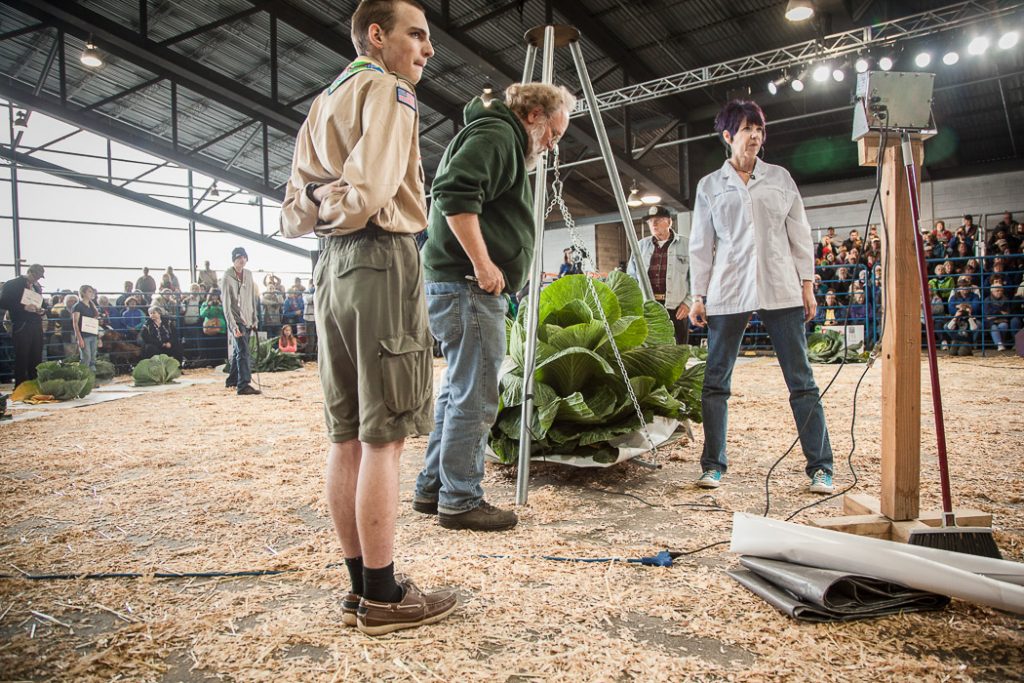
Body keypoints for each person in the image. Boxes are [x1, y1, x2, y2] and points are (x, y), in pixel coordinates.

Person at [279, 0, 455, 635]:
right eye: (417, 35)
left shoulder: (323, 100)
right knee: (386, 431)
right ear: (376, 36)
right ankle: (384, 595)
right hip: (380, 257)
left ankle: (360, 589)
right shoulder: (390, 91)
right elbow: (371, 195)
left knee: (347, 431)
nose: (427, 50)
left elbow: (293, 213)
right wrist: (344, 200)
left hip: (330, 267)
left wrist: (325, 200)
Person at [416, 81, 574, 532]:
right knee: (477, 396)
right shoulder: (498, 136)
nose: (550, 146)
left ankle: (433, 488)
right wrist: (484, 265)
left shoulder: (494, 133)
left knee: (456, 391)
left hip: (456, 286)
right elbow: (453, 193)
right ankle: (462, 498)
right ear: (533, 116)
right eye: (552, 134)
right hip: (469, 286)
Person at [689, 99, 834, 494]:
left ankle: (821, 466)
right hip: (729, 289)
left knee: (801, 380)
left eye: (760, 129)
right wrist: (697, 295)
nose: (755, 136)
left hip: (780, 286)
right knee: (716, 381)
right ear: (727, 136)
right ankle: (712, 464)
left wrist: (807, 283)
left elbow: (800, 235)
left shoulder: (781, 179)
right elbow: (702, 245)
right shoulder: (709, 186)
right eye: (747, 129)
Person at [627, 205, 692, 344]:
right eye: (650, 221)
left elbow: (697, 279)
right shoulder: (640, 246)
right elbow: (630, 278)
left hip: (677, 310)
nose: (654, 224)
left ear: (669, 222)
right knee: (650, 354)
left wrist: (688, 303)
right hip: (648, 309)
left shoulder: (687, 245)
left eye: (658, 220)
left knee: (677, 353)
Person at [221, 247, 261, 395]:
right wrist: (232, 326)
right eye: (239, 258)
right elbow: (226, 304)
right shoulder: (226, 277)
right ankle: (243, 385)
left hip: (248, 318)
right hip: (236, 320)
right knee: (244, 351)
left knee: (240, 350)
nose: (242, 260)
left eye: (244, 257)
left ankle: (232, 380)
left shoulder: (249, 275)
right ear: (234, 260)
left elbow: (252, 298)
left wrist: (254, 318)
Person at [0, 264, 46, 386]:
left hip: (36, 324)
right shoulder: (12, 284)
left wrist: (42, 310)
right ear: (29, 272)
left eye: (39, 277)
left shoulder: (37, 287)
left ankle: (34, 383)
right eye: (35, 275)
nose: (37, 279)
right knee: (22, 355)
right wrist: (23, 307)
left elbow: (42, 303)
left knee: (36, 355)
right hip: (21, 324)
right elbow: (4, 302)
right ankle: (20, 385)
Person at [72, 284, 101, 372]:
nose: (92, 293)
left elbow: (95, 322)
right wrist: (79, 338)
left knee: (92, 357)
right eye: (89, 291)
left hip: (93, 334)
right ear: (83, 293)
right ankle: (83, 376)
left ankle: (92, 377)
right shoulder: (78, 306)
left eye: (92, 291)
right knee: (86, 357)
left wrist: (98, 336)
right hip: (84, 335)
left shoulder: (92, 306)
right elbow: (75, 323)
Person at [983, 285, 1018, 351]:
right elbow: (988, 314)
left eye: (1001, 291)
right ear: (992, 291)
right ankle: (999, 344)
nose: (1000, 292)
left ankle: (1001, 343)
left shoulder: (1005, 299)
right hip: (990, 321)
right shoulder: (987, 300)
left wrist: (996, 313)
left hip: (1002, 320)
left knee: (1003, 326)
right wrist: (1000, 312)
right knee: (994, 328)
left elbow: (1007, 313)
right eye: (997, 291)